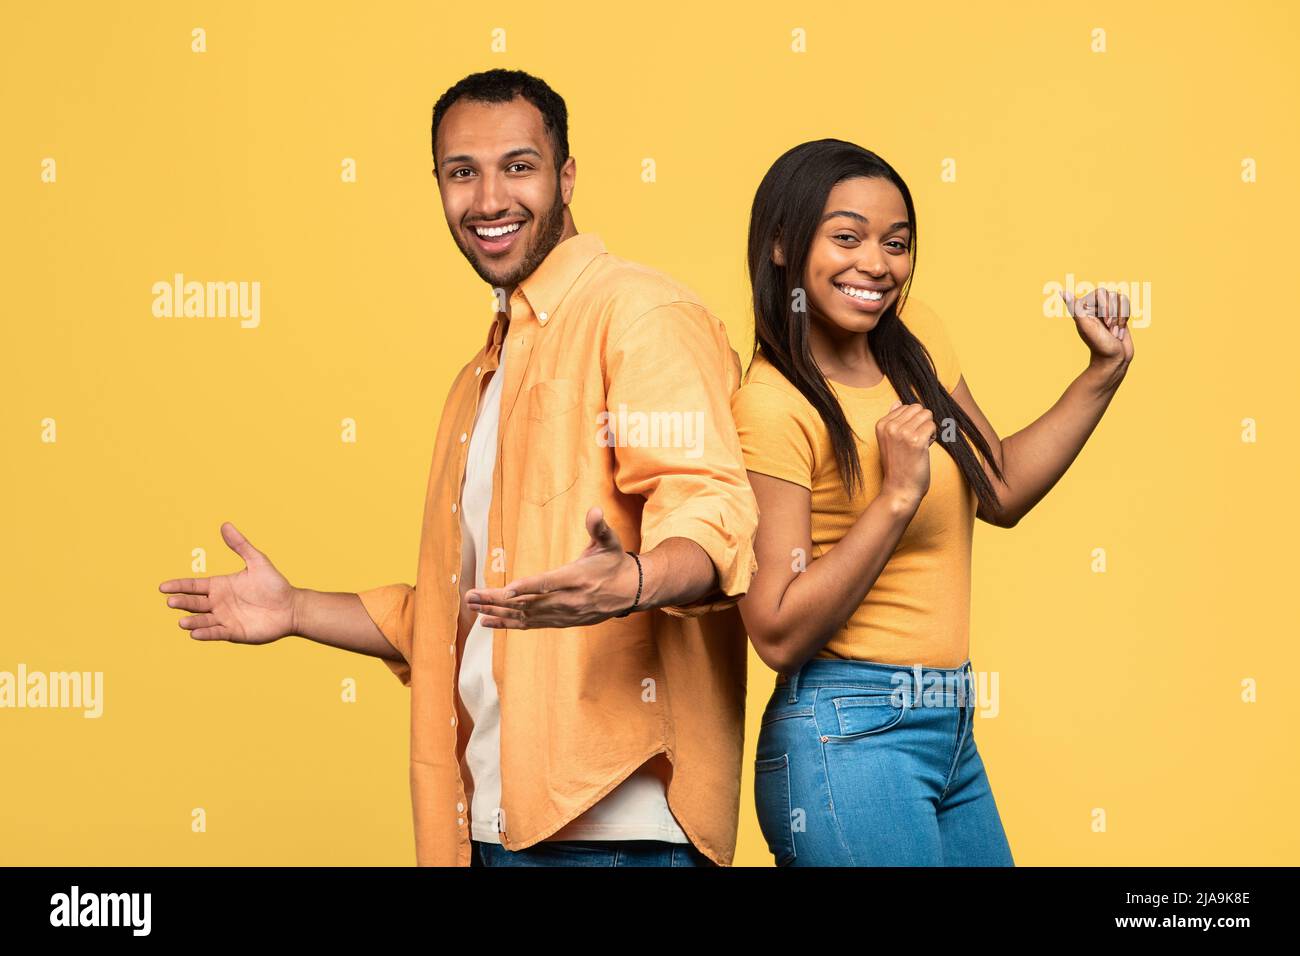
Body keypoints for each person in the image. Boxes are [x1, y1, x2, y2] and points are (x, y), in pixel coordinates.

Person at [158, 69, 759, 868]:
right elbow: (457, 620)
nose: (487, 200)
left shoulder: (639, 313)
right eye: (460, 172)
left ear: (566, 175)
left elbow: (710, 509)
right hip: (490, 822)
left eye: (518, 166)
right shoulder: (482, 376)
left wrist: (638, 579)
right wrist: (295, 607)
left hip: (616, 832)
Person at [731, 139, 1134, 866]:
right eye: (847, 237)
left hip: (949, 724)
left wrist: (1102, 371)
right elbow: (777, 631)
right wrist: (894, 499)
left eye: (896, 243)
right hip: (846, 735)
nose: (877, 265)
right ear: (785, 245)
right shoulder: (771, 405)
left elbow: (1001, 487)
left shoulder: (916, 341)